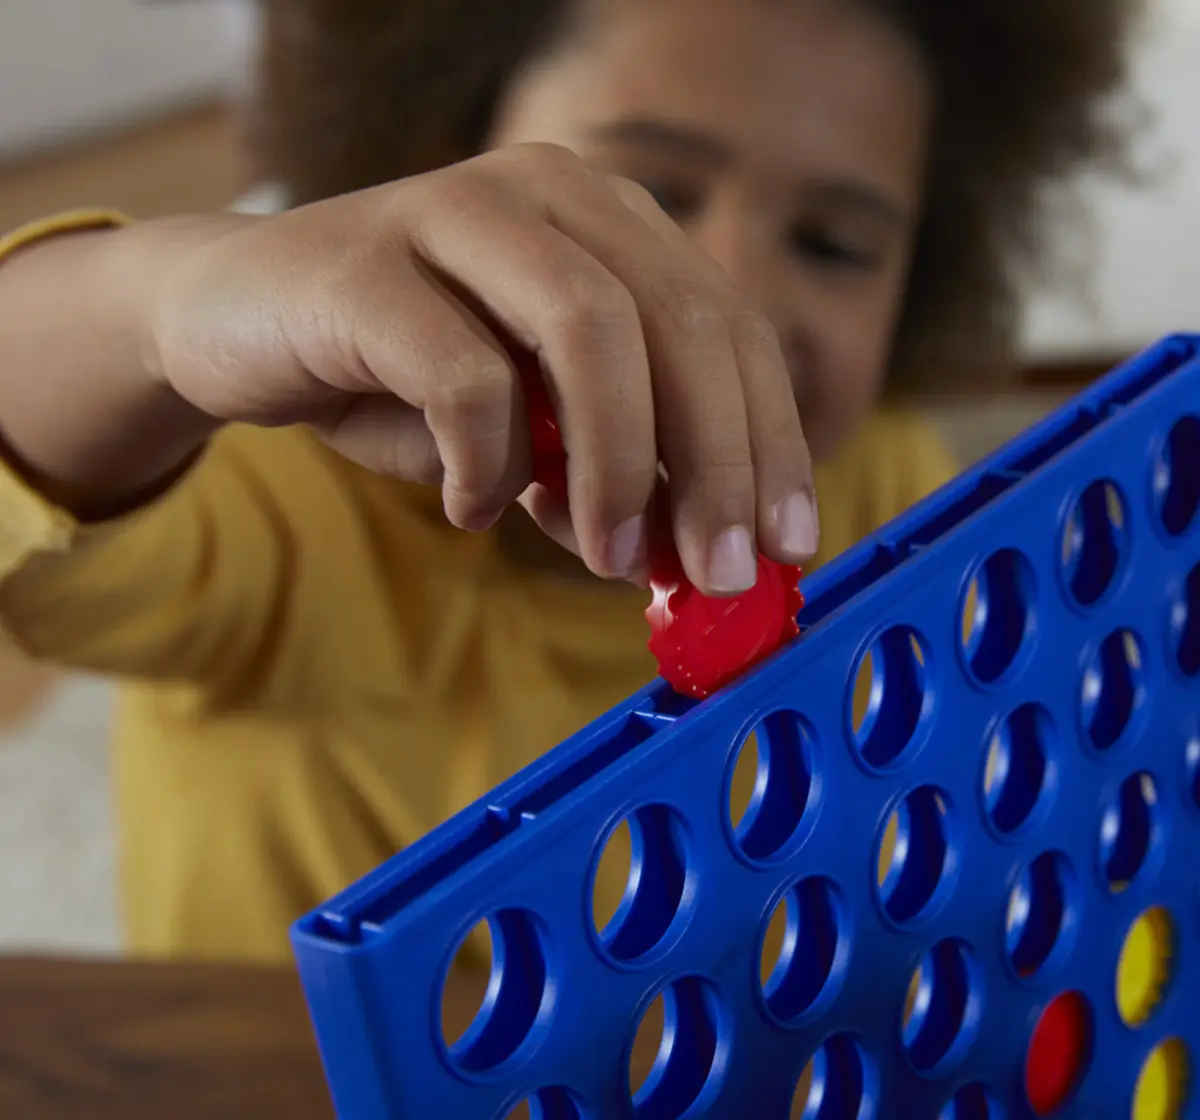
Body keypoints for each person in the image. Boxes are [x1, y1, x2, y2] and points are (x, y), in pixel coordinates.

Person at [0, 0, 1135, 963]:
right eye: (645, 194)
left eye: (833, 245)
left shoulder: (882, 487)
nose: (726, 294)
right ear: (438, 158)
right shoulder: (285, 486)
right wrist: (163, 308)